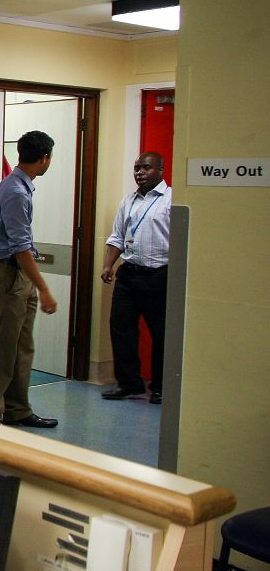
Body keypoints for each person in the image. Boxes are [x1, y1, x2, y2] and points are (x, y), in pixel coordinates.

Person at [0, 130, 59, 428]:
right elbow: (21, 247)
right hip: (9, 273)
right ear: (45, 158)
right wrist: (45, 289)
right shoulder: (16, 191)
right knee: (4, 348)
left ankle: (17, 409)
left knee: (23, 347)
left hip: (17, 273)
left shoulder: (13, 185)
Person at [100, 151, 172, 405]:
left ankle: (161, 387)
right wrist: (108, 265)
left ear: (161, 170)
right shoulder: (128, 201)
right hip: (129, 273)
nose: (140, 172)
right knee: (121, 328)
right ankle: (128, 383)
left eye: (146, 168)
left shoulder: (171, 199)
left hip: (159, 275)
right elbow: (117, 236)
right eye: (137, 168)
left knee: (161, 333)